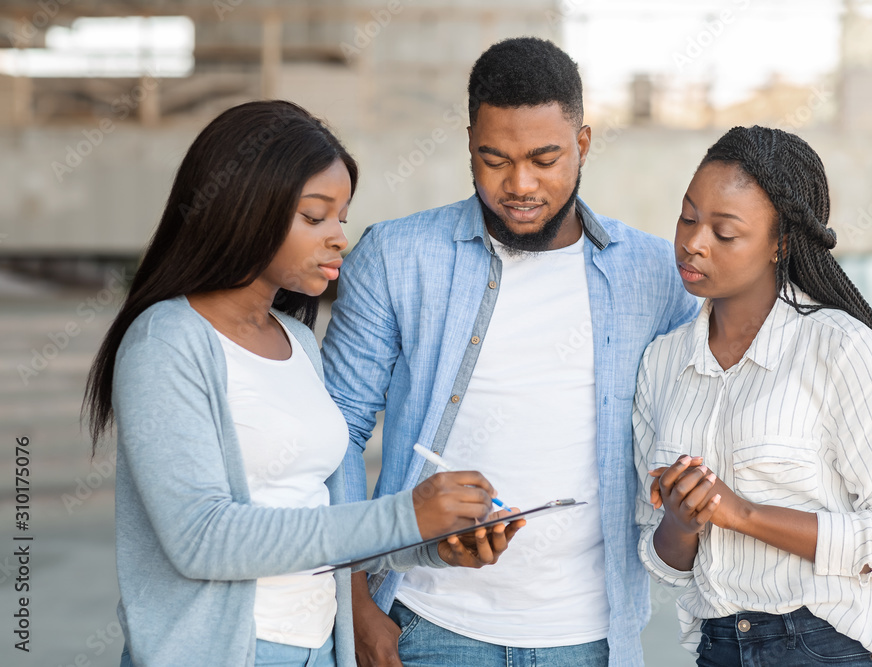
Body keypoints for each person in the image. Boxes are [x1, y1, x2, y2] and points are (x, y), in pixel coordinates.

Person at [83, 100, 513, 667]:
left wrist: (432, 543)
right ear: (244, 210)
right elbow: (201, 538)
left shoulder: (299, 341)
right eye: (315, 217)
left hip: (318, 648)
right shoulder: (166, 342)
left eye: (342, 217)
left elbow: (313, 511)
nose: (338, 237)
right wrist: (403, 514)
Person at [321, 37, 698, 667]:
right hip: (426, 619)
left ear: (582, 144)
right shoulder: (396, 257)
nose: (519, 186)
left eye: (544, 159)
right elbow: (335, 435)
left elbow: (710, 395)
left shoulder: (653, 273)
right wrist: (353, 597)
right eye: (494, 160)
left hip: (589, 632)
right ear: (469, 142)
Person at [633, 125, 872, 667]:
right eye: (687, 216)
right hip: (720, 647)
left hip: (827, 644)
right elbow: (661, 562)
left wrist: (743, 513)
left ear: (780, 242)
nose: (693, 242)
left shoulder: (839, 348)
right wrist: (682, 522)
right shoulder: (662, 363)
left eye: (724, 233)